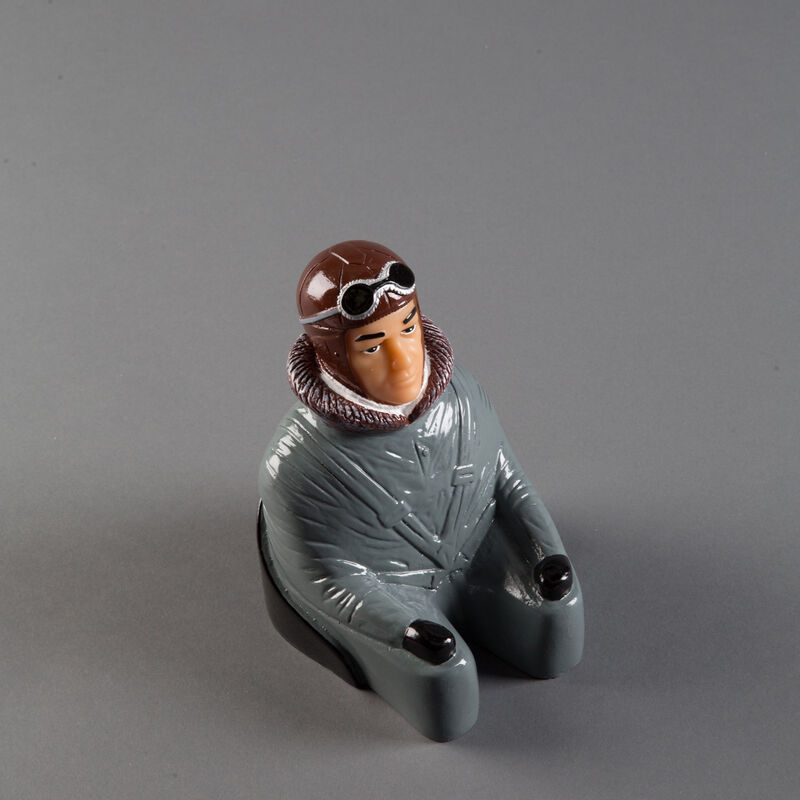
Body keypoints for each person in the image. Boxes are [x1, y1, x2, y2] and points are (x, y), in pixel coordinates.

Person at [258, 240, 584, 741]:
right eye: (372, 346)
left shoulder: (464, 396)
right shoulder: (297, 463)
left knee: (556, 616)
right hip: (390, 588)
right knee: (445, 677)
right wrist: (402, 629)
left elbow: (508, 482)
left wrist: (545, 554)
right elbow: (326, 576)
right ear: (334, 356)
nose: (403, 358)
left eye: (408, 328)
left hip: (483, 548)